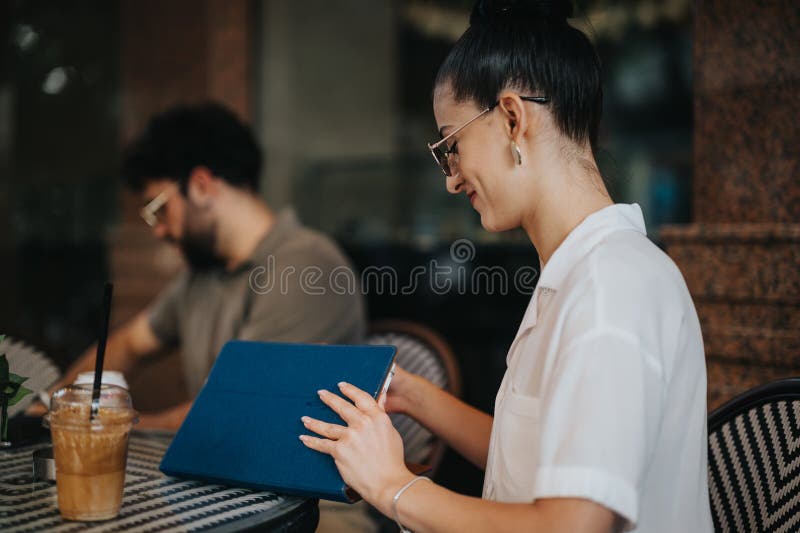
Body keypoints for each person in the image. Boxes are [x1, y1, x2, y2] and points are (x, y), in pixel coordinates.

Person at [299, 1, 713, 532]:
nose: (450, 179)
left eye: (451, 144)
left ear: (513, 119)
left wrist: (393, 487)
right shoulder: (581, 273)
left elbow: (572, 525)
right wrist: (412, 394)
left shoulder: (612, 288)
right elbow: (532, 456)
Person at [36, 102, 367, 429]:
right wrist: (53, 404)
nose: (159, 230)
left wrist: (120, 427)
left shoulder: (306, 266)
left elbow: (239, 407)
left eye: (159, 209)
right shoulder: (204, 274)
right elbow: (131, 344)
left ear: (201, 185)